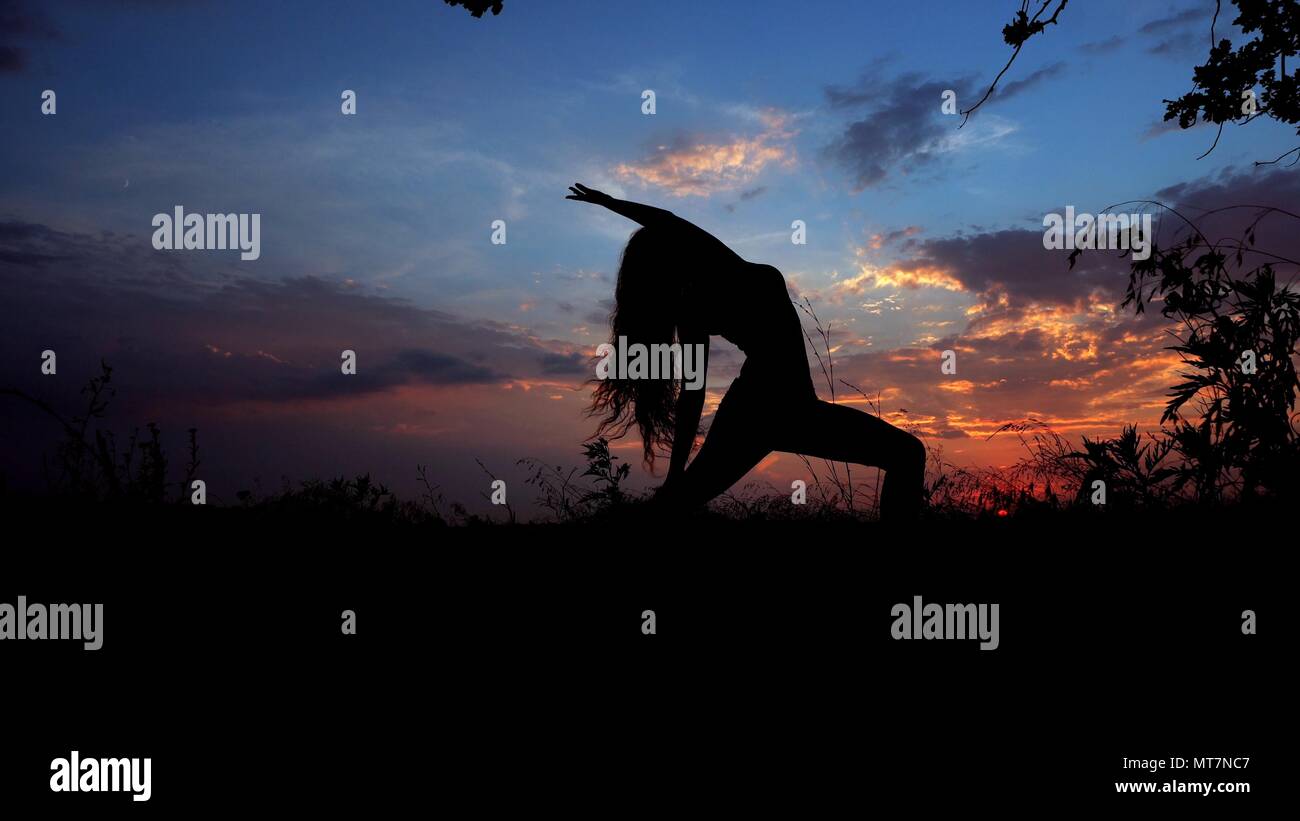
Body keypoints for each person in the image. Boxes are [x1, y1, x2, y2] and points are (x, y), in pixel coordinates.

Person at [568, 183, 925, 519]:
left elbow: (669, 223)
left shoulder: (716, 276)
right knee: (907, 454)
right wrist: (675, 472)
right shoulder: (705, 294)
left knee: (677, 505)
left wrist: (611, 203)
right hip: (764, 409)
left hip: (775, 409)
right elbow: (693, 393)